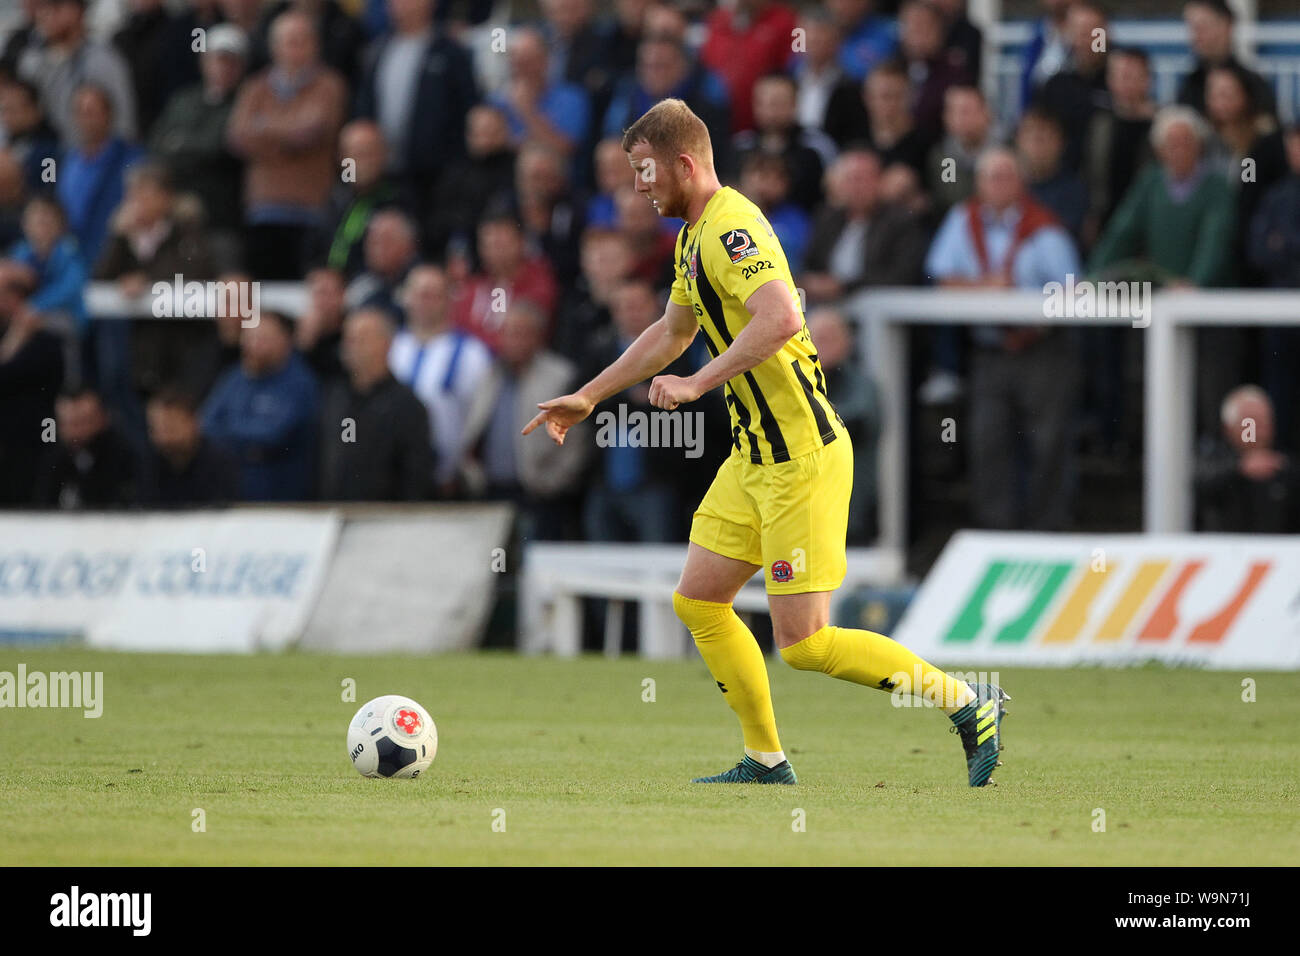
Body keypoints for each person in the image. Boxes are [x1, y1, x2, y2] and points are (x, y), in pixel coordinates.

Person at [524, 98, 1008, 787]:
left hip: (801, 458)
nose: (637, 185)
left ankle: (967, 703)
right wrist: (591, 393)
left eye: (644, 170)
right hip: (753, 459)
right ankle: (765, 759)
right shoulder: (694, 236)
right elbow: (670, 333)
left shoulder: (732, 228)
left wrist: (699, 386)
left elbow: (780, 317)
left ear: (683, 163)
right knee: (698, 600)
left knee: (805, 644)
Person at [200, 309, 319, 501]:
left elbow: (272, 435)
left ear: (285, 341)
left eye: (262, 338)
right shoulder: (235, 377)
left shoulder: (300, 383)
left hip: (282, 500)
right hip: (234, 495)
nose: (252, 345)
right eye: (249, 338)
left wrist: (229, 433)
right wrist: (248, 445)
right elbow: (206, 424)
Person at [318, 307, 434, 500]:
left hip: (383, 519)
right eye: (348, 339)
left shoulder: (407, 406)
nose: (351, 347)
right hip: (332, 513)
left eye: (361, 339)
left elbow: (416, 475)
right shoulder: (334, 396)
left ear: (386, 345)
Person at [143, 386, 240, 506]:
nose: (164, 436)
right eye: (157, 428)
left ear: (193, 422)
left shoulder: (219, 462)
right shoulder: (148, 462)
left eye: (171, 428)